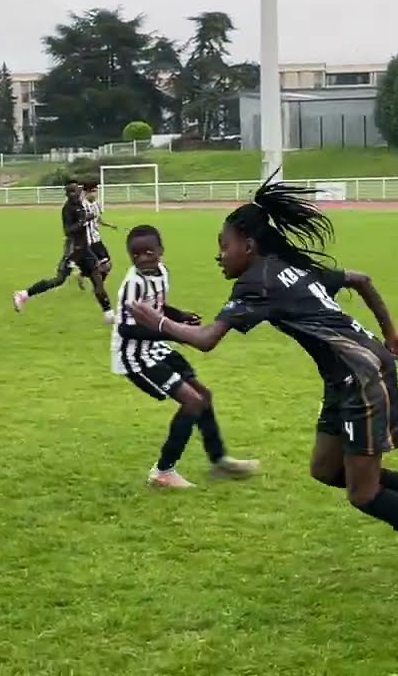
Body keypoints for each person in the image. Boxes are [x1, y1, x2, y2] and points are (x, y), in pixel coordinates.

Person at [129, 177, 398, 589]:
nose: (220, 255)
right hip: (345, 376)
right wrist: (390, 332)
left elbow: (207, 339)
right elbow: (361, 279)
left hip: (360, 376)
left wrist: (158, 322)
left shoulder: (259, 281)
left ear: (248, 246)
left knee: (363, 493)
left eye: (224, 245)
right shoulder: (289, 270)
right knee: (326, 469)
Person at [113, 224, 259, 487]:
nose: (143, 258)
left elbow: (157, 306)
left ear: (161, 251)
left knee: (203, 396)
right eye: (136, 255)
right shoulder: (132, 283)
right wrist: (174, 333)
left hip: (155, 349)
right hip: (135, 357)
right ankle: (163, 472)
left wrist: (179, 316)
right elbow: (126, 328)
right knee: (191, 402)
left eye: (149, 252)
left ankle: (219, 460)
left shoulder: (162, 272)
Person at [13, 181, 115, 323]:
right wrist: (84, 221)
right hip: (73, 251)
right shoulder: (67, 209)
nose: (75, 194)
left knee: (97, 278)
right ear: (67, 194)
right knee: (59, 280)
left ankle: (109, 314)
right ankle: (24, 294)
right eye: (71, 192)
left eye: (76, 191)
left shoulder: (80, 205)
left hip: (85, 250)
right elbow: (68, 230)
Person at [79, 181, 116, 287]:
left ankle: (84, 275)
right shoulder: (81, 206)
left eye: (96, 191)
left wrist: (109, 225)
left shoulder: (97, 204)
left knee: (107, 265)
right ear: (86, 193)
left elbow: (98, 220)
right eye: (93, 191)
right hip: (86, 241)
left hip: (97, 239)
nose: (95, 194)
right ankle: (97, 285)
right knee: (98, 265)